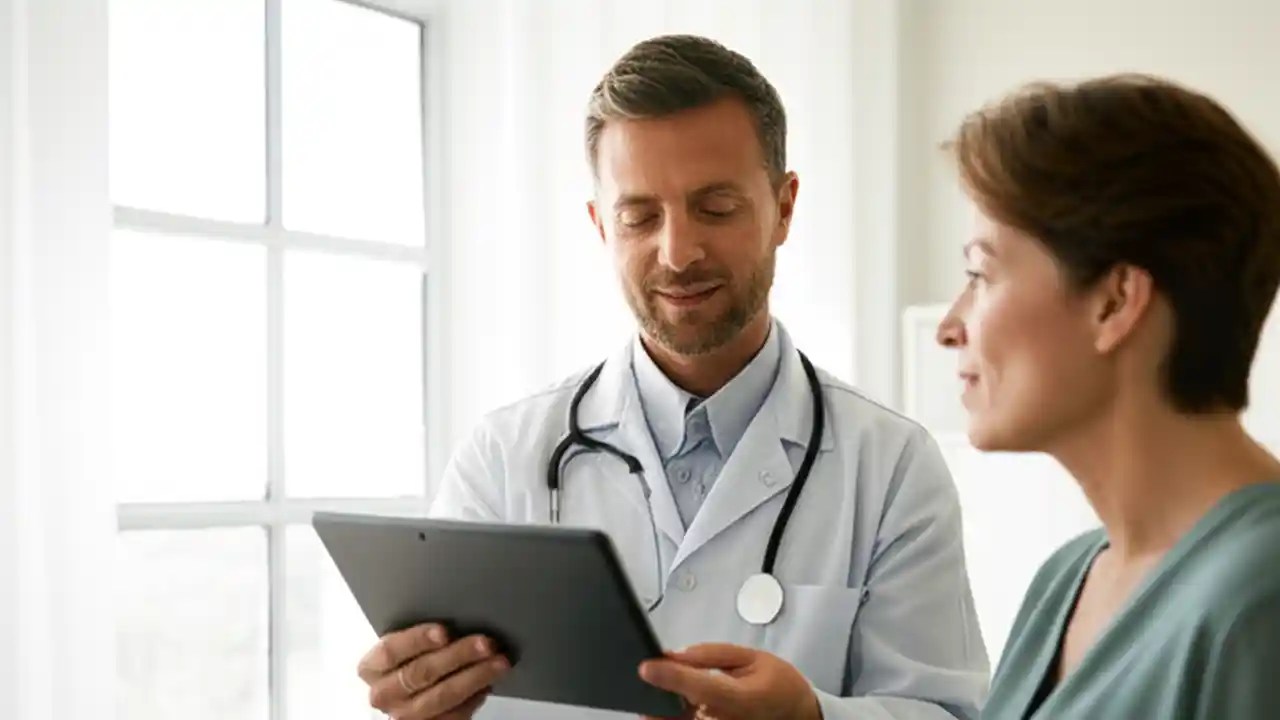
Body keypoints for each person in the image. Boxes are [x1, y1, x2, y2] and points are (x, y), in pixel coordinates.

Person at [355, 34, 989, 720]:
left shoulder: (891, 465)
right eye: (639, 216)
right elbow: (446, 693)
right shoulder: (504, 458)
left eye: (715, 208)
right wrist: (423, 704)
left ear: (784, 207)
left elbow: (947, 713)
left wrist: (812, 717)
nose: (678, 252)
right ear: (601, 225)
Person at [935, 73, 1280, 719]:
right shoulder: (1064, 580)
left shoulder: (1262, 598)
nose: (949, 327)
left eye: (980, 275)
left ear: (1116, 301)